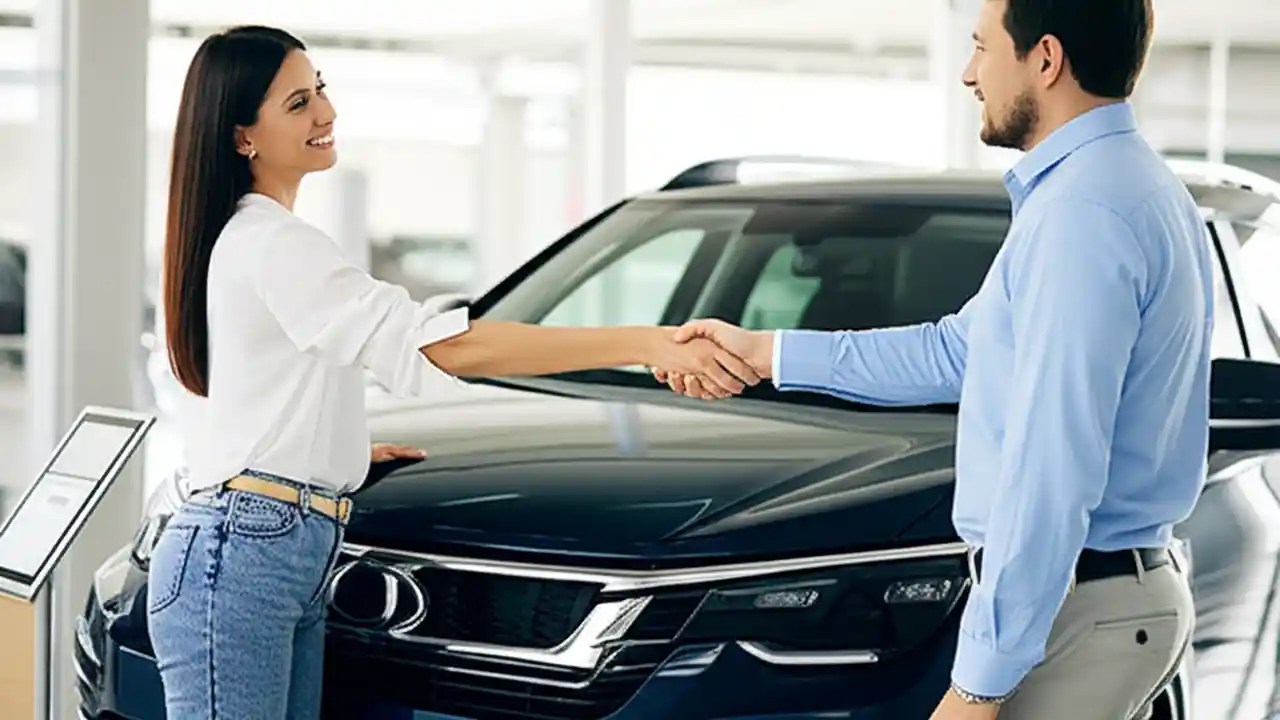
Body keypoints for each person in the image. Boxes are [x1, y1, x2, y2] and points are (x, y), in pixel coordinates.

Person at [146, 25, 757, 719]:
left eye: (320, 89)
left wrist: (338, 455)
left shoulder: (246, 237)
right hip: (245, 559)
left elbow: (257, 392)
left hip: (275, 547)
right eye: (296, 104)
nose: (326, 113)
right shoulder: (275, 244)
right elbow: (447, 347)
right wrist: (647, 343)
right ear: (241, 137)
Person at [659, 1, 1209, 718]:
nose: (967, 74)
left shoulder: (1084, 215)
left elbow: (1050, 468)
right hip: (1092, 599)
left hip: (1076, 608)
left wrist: (979, 683)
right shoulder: (1116, 190)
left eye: (982, 49)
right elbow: (957, 350)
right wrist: (766, 352)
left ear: (1045, 59)